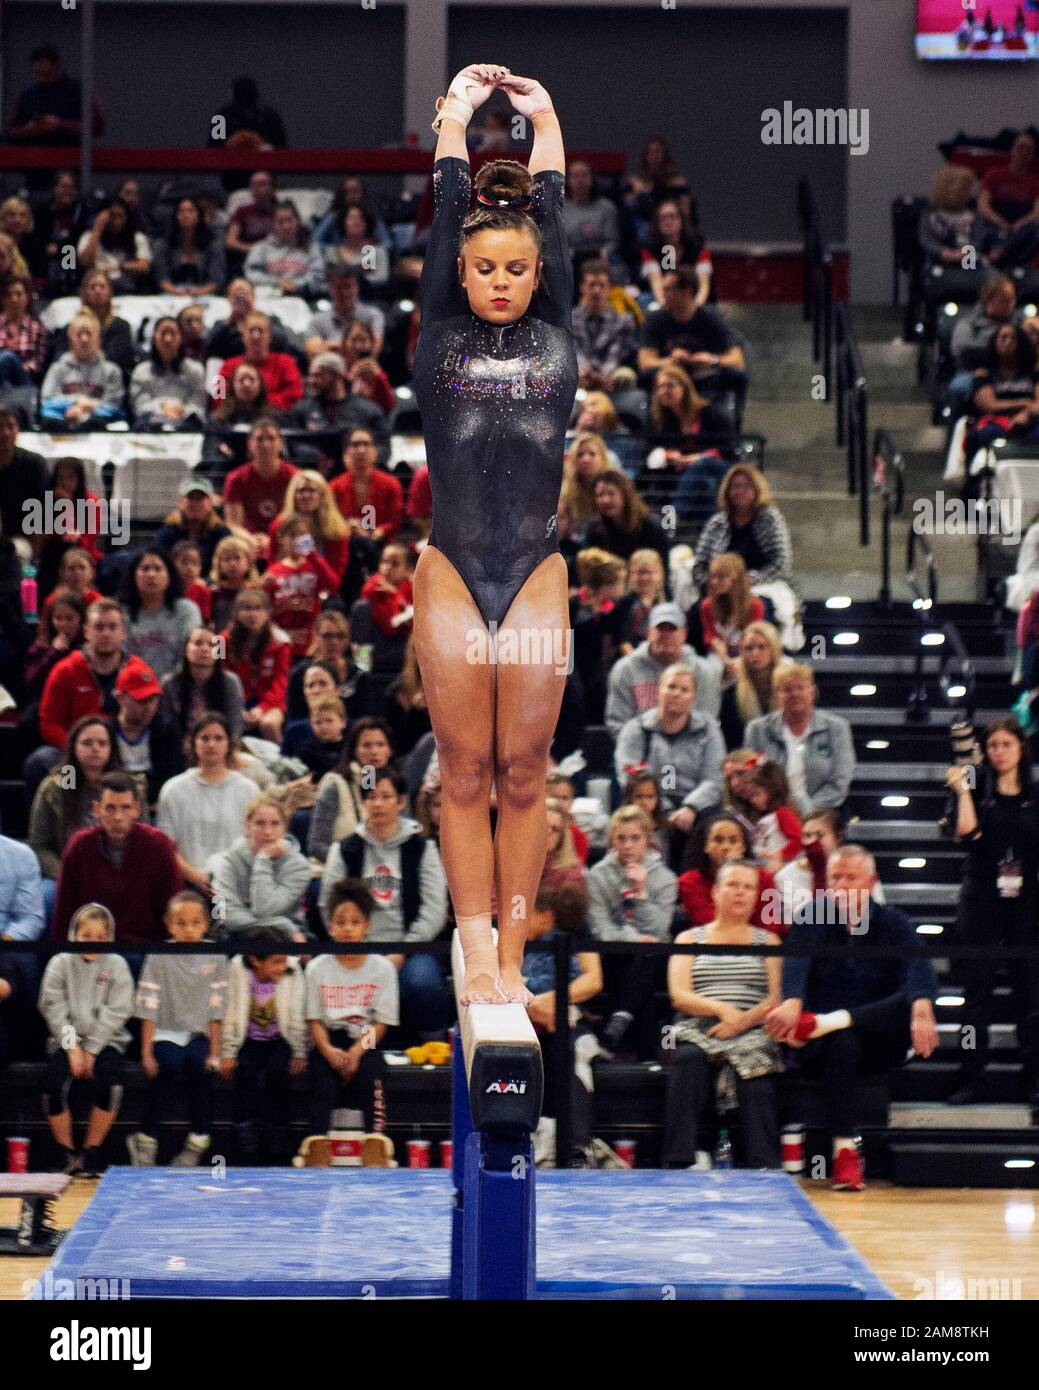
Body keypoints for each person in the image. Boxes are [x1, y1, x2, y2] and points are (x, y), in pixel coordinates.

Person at [410, 63, 579, 1004]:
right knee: (464, 768)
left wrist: (543, 114)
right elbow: (443, 208)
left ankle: (514, 959)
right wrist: (457, 116)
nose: (504, 281)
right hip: (452, 567)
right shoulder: (438, 326)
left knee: (524, 772)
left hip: (534, 569)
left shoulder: (555, 321)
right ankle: (476, 948)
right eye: (485, 268)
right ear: (462, 270)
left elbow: (549, 204)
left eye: (518, 267)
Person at [766, 846, 940, 1193]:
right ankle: (844, 1151)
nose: (842, 886)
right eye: (835, 878)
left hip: (879, 1040)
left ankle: (832, 1020)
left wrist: (923, 1004)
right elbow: (796, 961)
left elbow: (919, 965)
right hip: (825, 1046)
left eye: (851, 878)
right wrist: (793, 1001)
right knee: (843, 1041)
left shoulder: (893, 922)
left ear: (872, 882)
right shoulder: (813, 916)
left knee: (909, 998)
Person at [945, 718, 1039, 1114]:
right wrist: (961, 790)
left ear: (1020, 747)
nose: (999, 751)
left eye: (1006, 744)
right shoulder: (974, 783)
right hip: (981, 894)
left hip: (1027, 897)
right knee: (975, 995)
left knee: (1030, 996)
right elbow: (967, 834)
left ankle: (1033, 1077)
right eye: (993, 745)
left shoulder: (1036, 791)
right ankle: (972, 1075)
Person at [664, 859, 782, 1169]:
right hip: (700, 1028)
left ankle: (763, 1167)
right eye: (732, 885)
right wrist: (722, 1010)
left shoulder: (769, 941)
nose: (740, 893)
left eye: (748, 887)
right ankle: (680, 1161)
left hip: (754, 1029)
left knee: (757, 1079)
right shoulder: (689, 939)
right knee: (688, 1060)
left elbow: (776, 997)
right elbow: (679, 994)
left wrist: (742, 1022)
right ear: (716, 891)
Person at [320, 766, 450, 1040]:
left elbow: (435, 910)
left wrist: (402, 950)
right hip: (355, 947)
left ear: (401, 802)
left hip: (411, 948)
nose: (376, 803)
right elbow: (328, 906)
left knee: (423, 983)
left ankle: (436, 1055)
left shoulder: (423, 848)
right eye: (370, 797)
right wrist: (357, 947)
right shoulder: (343, 849)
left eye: (385, 796)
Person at [126, 890, 228, 1167]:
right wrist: (146, 1052)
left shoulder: (216, 957)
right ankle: (146, 1138)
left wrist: (216, 1051)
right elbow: (148, 1005)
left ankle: (198, 1140)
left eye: (195, 922)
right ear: (169, 925)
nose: (189, 929)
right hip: (165, 1033)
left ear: (206, 924)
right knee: (168, 1067)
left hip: (198, 1034)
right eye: (181, 923)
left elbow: (217, 1008)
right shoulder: (158, 957)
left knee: (201, 1068)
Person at [38, 902, 132, 1177]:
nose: (93, 941)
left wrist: (91, 1048)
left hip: (107, 1040)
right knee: (52, 1085)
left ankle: (92, 1151)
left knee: (112, 1084)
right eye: (86, 935)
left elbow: (119, 1010)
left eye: (100, 936)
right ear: (73, 935)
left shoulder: (117, 964)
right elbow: (53, 1008)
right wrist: (72, 1046)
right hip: (65, 1040)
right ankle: (65, 1152)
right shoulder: (60, 962)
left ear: (110, 937)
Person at [306, 878, 398, 1133]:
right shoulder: (316, 967)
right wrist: (327, 1050)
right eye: (340, 922)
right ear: (330, 927)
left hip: (366, 1037)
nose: (347, 929)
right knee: (321, 1082)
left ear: (366, 926)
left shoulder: (383, 968)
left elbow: (381, 1023)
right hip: (330, 1038)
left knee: (373, 1078)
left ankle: (377, 1141)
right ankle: (317, 1142)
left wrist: (356, 1053)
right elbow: (314, 1020)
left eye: (355, 922)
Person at [587, 805, 678, 1057]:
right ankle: (647, 1053)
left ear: (648, 841)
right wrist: (633, 938)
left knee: (645, 957)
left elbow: (659, 931)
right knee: (640, 959)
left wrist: (641, 893)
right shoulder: (597, 875)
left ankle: (615, 1029)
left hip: (655, 959)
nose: (628, 845)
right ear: (611, 840)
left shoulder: (665, 878)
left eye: (635, 838)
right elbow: (600, 929)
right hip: (613, 955)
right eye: (621, 838)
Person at [614, 662, 725, 868]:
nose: (677, 694)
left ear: (693, 698)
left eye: (684, 690)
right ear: (659, 691)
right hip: (650, 805)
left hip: (695, 808)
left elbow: (714, 778)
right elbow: (629, 776)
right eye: (672, 687)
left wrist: (690, 807)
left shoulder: (708, 730)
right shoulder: (636, 729)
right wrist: (662, 809)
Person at [52, 771, 183, 945]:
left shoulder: (159, 845)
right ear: (97, 809)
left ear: (137, 809)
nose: (118, 817)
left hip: (146, 948)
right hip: (93, 948)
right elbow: (65, 914)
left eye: (125, 808)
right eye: (110, 808)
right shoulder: (79, 846)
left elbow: (172, 910)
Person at [524, 883, 603, 1167]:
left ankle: (578, 1148)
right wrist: (534, 1008)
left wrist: (552, 1003)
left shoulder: (573, 936)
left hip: (567, 1022)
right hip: (525, 1023)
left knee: (578, 1050)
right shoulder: (513, 943)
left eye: (526, 915)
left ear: (544, 915)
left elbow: (593, 980)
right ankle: (527, 1146)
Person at [221, 928, 307, 1164]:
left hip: (280, 1038)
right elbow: (230, 1011)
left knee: (278, 1072)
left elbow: (297, 1013)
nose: (282, 966)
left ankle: (278, 1136)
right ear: (255, 960)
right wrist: (227, 1051)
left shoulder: (292, 970)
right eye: (275, 962)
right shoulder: (237, 970)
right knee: (244, 1072)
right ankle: (245, 1135)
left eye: (283, 960)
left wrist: (300, 1050)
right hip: (248, 1038)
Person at [693, 465, 800, 647]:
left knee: (761, 607)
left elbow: (781, 563)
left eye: (746, 486)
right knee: (695, 611)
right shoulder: (717, 523)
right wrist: (713, 583)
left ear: (757, 490)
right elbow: (700, 564)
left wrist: (743, 582)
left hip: (761, 586)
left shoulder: (770, 519)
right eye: (735, 486)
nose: (740, 491)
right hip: (719, 588)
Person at [157, 713, 258, 897]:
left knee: (224, 919)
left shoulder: (248, 790)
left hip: (234, 886)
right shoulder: (173, 789)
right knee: (193, 920)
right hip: (187, 884)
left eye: (218, 738)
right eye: (204, 738)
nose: (211, 744)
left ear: (229, 744)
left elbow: (255, 842)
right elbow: (167, 846)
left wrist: (225, 880)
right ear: (193, 743)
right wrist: (195, 876)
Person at [36, 599, 152, 751]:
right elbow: (49, 723)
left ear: (123, 632)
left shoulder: (140, 671)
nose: (106, 634)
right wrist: (77, 749)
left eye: (112, 627)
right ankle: (70, 776)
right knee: (42, 759)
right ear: (86, 632)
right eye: (98, 627)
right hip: (75, 752)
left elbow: (150, 719)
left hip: (126, 751)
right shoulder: (65, 670)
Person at [744, 663, 856, 816]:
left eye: (800, 688)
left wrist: (807, 812)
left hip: (824, 816)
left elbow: (840, 781)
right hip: (771, 814)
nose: (795, 694)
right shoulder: (757, 730)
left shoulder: (837, 728)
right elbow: (753, 778)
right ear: (777, 695)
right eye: (787, 689)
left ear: (812, 691)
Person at [605, 601, 722, 736]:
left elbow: (707, 723)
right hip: (639, 751)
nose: (666, 634)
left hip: (690, 752)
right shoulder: (625, 670)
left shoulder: (703, 671)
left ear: (684, 634)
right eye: (660, 628)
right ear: (649, 633)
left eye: (672, 629)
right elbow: (617, 724)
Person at [208, 791, 311, 941]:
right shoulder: (227, 861)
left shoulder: (299, 866)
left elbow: (265, 909)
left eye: (275, 824)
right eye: (260, 823)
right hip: (242, 932)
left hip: (286, 936)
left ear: (285, 827)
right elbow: (226, 915)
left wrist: (263, 860)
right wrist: (282, 924)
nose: (268, 832)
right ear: (247, 825)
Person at [637, 266, 746, 400]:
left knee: (737, 376)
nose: (663, 294)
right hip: (669, 378)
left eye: (668, 289)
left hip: (706, 380)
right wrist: (670, 361)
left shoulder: (712, 318)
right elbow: (645, 362)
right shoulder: (655, 319)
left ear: (687, 291)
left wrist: (712, 360)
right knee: (646, 376)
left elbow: (737, 360)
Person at [307, 717, 396, 864]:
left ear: (390, 750)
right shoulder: (335, 784)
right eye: (366, 745)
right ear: (354, 750)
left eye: (380, 744)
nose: (374, 752)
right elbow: (316, 845)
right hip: (343, 873)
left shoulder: (397, 785)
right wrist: (354, 864)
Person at [677, 811, 780, 932]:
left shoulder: (765, 878)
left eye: (733, 840)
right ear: (706, 846)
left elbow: (772, 925)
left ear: (743, 847)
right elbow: (712, 922)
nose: (726, 847)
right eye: (718, 840)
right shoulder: (689, 881)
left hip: (758, 946)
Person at [262, 515, 341, 660]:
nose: (298, 541)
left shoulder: (315, 565)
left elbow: (334, 585)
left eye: (302, 536)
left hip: (310, 641)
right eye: (292, 535)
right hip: (282, 639)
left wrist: (312, 555)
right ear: (281, 539)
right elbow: (266, 609)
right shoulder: (273, 572)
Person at [160, 626, 245, 756]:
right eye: (198, 643)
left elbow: (235, 725)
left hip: (220, 749)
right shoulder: (169, 683)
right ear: (186, 649)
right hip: (178, 751)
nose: (205, 649)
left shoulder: (231, 682)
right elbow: (165, 724)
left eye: (212, 645)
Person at [120, 548, 203, 682]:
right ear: (133, 575)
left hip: (179, 686)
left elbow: (190, 655)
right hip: (134, 687)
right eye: (145, 569)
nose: (151, 575)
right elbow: (121, 659)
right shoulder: (122, 613)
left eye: (158, 569)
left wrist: (169, 685)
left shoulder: (187, 610)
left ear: (169, 576)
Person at [222, 586, 291, 743]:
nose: (253, 614)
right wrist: (237, 708)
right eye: (246, 608)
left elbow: (280, 681)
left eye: (258, 608)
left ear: (268, 613)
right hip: (234, 698)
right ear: (237, 612)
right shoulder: (220, 640)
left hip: (269, 701)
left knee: (269, 724)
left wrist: (262, 708)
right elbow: (219, 676)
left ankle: (282, 764)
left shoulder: (282, 641)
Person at [221, 421, 299, 559]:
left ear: (281, 443)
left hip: (285, 540)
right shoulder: (236, 478)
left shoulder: (295, 477)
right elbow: (233, 523)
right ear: (249, 444)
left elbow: (298, 518)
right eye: (259, 439)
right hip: (248, 542)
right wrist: (250, 539)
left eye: (271, 438)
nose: (265, 444)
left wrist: (273, 541)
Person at [291, 352, 388, 460]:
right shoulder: (302, 409)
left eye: (318, 375)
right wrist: (316, 457)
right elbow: (294, 443)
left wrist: (361, 457)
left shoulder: (368, 410)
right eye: (310, 375)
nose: (311, 381)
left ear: (337, 376)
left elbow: (384, 447)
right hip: (315, 471)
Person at [39, 312, 125, 430]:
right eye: (79, 334)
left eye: (89, 334)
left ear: (99, 340)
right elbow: (47, 403)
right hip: (63, 426)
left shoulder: (112, 371)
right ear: (70, 340)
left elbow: (114, 408)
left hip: (99, 431)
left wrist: (89, 407)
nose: (84, 339)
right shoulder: (58, 369)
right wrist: (75, 402)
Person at [214, 311, 304, 414]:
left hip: (277, 418)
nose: (256, 336)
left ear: (270, 336)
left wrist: (257, 404)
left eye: (260, 331)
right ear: (243, 336)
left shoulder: (287, 362)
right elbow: (218, 396)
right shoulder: (227, 365)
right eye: (251, 330)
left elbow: (295, 394)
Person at [584, 468, 671, 572]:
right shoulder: (594, 529)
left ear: (625, 495)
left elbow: (662, 571)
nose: (605, 500)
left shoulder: (651, 527)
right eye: (600, 495)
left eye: (610, 493)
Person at [129, 318, 207, 431]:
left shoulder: (196, 370)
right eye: (163, 333)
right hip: (151, 428)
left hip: (187, 428)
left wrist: (180, 410)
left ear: (181, 338)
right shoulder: (141, 371)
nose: (168, 339)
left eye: (173, 333)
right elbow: (140, 407)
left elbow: (199, 406)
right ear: (154, 337)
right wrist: (162, 407)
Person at [571, 259, 636, 393]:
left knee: (625, 375)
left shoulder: (624, 320)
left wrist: (604, 374)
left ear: (610, 288)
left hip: (612, 375)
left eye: (601, 285)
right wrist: (585, 370)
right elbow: (575, 350)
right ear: (582, 287)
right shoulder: (570, 319)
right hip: (581, 374)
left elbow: (616, 354)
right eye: (592, 285)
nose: (596, 290)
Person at [978, 130, 1039, 270]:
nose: (1023, 152)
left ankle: (1001, 253)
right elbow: (983, 205)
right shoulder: (994, 174)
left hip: (1021, 227)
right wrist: (999, 221)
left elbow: (1037, 211)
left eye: (1028, 149)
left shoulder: (1034, 182)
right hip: (995, 223)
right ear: (1012, 149)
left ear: (1032, 154)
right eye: (1020, 147)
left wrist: (1022, 223)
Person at [329, 427, 402, 544]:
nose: (361, 450)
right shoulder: (334, 487)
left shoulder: (391, 483)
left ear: (375, 451)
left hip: (383, 545)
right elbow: (330, 519)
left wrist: (380, 531)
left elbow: (395, 521)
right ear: (346, 452)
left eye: (366, 444)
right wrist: (346, 526)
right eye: (355, 445)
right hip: (347, 543)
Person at [719, 619, 783, 750]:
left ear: (774, 649)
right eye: (749, 648)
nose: (755, 654)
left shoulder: (787, 689)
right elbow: (731, 739)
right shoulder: (732, 694)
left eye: (761, 647)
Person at [640, 199, 712, 309]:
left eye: (672, 216)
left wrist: (694, 308)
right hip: (666, 299)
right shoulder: (651, 249)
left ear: (681, 221)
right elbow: (657, 284)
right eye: (663, 218)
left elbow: (703, 285)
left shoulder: (697, 247)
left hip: (694, 299)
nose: (667, 221)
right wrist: (669, 308)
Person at [245, 200, 325, 298]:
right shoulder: (261, 248)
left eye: (289, 220)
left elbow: (318, 276)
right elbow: (251, 274)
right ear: (273, 224)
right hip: (269, 298)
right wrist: (277, 282)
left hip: (303, 297)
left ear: (297, 221)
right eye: (281, 221)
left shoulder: (311, 248)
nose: (286, 226)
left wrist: (295, 284)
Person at [305, 265, 385, 358]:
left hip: (363, 369)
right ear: (330, 289)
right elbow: (314, 353)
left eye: (348, 286)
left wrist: (331, 346)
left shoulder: (373, 315)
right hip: (331, 370)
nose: (344, 293)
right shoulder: (316, 320)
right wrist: (355, 346)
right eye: (339, 287)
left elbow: (374, 349)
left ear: (357, 287)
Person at [152, 195, 225, 297]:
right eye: (181, 211)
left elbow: (215, 280)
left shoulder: (213, 243)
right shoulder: (163, 244)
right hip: (171, 293)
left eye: (191, 211)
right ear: (175, 216)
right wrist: (177, 292)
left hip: (204, 293)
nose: (186, 215)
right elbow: (162, 278)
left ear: (199, 215)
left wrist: (197, 292)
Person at [76, 198, 152, 294]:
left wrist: (119, 267)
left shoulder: (137, 237)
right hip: (96, 288)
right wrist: (97, 230)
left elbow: (144, 266)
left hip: (127, 288)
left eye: (120, 216)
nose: (116, 222)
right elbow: (85, 262)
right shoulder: (89, 236)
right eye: (112, 216)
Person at [745, 761, 803, 876]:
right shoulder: (764, 818)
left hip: (782, 870)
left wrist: (781, 854)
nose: (753, 800)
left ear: (773, 791)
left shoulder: (783, 813)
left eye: (756, 794)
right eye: (751, 796)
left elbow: (799, 839)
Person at [0, 406, 46, 544]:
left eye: (11, 426)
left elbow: (42, 511)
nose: (5, 433)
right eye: (0, 426)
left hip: (21, 538)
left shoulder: (34, 463)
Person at [0, 274, 48, 386]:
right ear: (3, 299)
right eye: (9, 294)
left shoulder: (37, 329)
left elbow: (37, 364)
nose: (14, 299)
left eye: (19, 294)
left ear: (27, 297)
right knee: (6, 384)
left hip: (24, 382)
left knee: (8, 357)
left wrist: (15, 366)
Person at [208, 534, 261, 633]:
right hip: (221, 642)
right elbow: (209, 626)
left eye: (237, 558)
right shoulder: (213, 592)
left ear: (248, 563)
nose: (232, 564)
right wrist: (219, 648)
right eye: (227, 559)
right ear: (219, 565)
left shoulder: (256, 592)